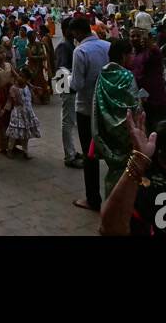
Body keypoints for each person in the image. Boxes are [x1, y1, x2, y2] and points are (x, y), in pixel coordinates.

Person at [71, 17, 111, 211]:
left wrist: (67, 82)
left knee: (90, 154)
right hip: (109, 108)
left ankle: (93, 198)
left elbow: (77, 84)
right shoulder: (107, 46)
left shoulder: (80, 51)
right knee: (113, 151)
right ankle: (115, 195)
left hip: (87, 108)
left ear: (77, 33)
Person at [94, 39, 141, 193]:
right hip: (127, 134)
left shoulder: (103, 75)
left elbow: (97, 105)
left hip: (107, 133)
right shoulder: (127, 76)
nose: (133, 56)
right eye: (132, 53)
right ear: (123, 56)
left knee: (115, 171)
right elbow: (135, 107)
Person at [54, 18, 84, 169]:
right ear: (67, 31)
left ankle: (72, 151)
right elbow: (61, 69)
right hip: (68, 89)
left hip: (71, 89)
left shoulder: (71, 45)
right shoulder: (64, 46)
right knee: (67, 123)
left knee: (71, 122)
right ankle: (69, 155)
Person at [127, 28, 166, 130]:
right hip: (142, 102)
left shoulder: (151, 52)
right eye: (133, 36)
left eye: (138, 36)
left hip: (157, 100)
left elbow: (155, 53)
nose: (135, 38)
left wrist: (150, 45)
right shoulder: (131, 55)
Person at [6, 68, 41, 159]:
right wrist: (4, 110)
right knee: (13, 133)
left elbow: (33, 98)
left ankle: (25, 151)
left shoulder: (27, 87)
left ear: (27, 79)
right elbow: (10, 101)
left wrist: (37, 96)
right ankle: (9, 149)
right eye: (19, 75)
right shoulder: (14, 88)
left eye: (22, 76)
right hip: (17, 114)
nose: (19, 77)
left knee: (26, 134)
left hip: (27, 113)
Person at [25, 30, 50, 104]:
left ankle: (44, 98)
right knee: (35, 82)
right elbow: (30, 57)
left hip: (41, 67)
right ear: (29, 38)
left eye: (34, 36)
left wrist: (38, 57)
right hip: (33, 67)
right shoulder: (28, 47)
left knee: (43, 82)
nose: (33, 37)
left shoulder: (39, 44)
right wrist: (40, 57)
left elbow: (45, 54)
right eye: (31, 36)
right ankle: (37, 98)